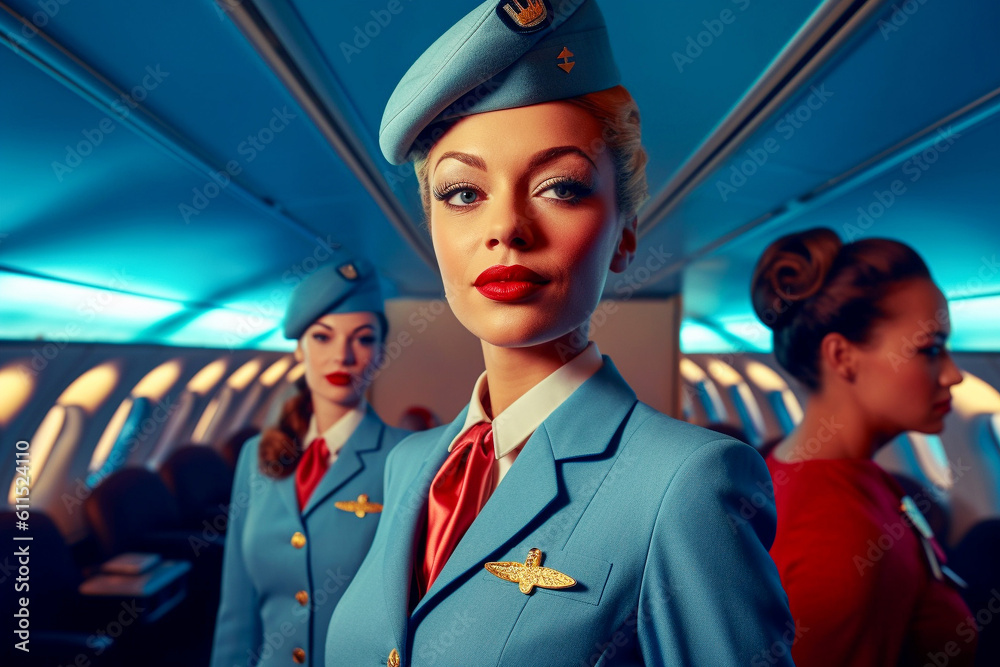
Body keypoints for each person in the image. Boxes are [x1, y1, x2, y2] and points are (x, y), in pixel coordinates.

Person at [325, 2, 793, 665]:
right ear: (433, 230)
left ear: (625, 235)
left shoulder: (685, 486)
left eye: (560, 188)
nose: (506, 228)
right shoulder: (410, 464)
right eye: (464, 194)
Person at [751, 227, 976, 665]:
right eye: (930, 349)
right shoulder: (837, 547)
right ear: (842, 356)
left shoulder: (843, 470)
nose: (954, 375)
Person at [211, 255, 409, 667]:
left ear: (380, 353)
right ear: (299, 349)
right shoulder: (255, 456)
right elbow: (237, 606)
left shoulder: (407, 458)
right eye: (322, 337)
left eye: (363, 339)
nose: (343, 356)